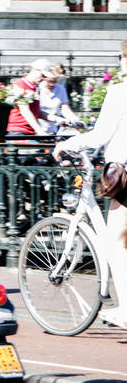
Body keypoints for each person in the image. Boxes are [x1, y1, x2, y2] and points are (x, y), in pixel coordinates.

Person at [53, 40, 127, 329]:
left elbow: (101, 135)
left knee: (117, 243)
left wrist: (67, 144)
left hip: (125, 175)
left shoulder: (120, 92)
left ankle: (125, 310)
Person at [7, 58, 55, 137]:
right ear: (34, 70)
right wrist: (40, 131)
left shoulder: (35, 88)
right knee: (37, 148)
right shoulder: (20, 85)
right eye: (42, 75)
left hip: (29, 132)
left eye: (45, 77)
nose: (43, 79)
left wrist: (58, 119)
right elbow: (25, 111)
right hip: (17, 131)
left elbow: (37, 112)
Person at [37, 71, 82, 136]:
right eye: (49, 81)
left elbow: (65, 108)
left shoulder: (60, 88)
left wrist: (75, 120)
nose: (52, 84)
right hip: (39, 126)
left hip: (53, 127)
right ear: (44, 79)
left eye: (55, 81)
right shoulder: (38, 88)